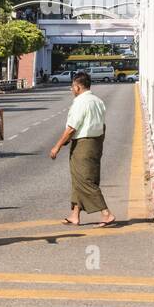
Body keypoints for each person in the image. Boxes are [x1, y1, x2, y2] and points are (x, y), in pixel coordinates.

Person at [50, 71, 117, 227]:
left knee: (85, 181)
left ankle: (106, 213)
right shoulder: (98, 101)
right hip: (96, 142)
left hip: (83, 144)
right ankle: (75, 214)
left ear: (78, 87)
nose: (71, 90)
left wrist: (57, 146)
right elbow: (103, 125)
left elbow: (72, 128)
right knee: (79, 179)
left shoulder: (81, 102)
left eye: (72, 87)